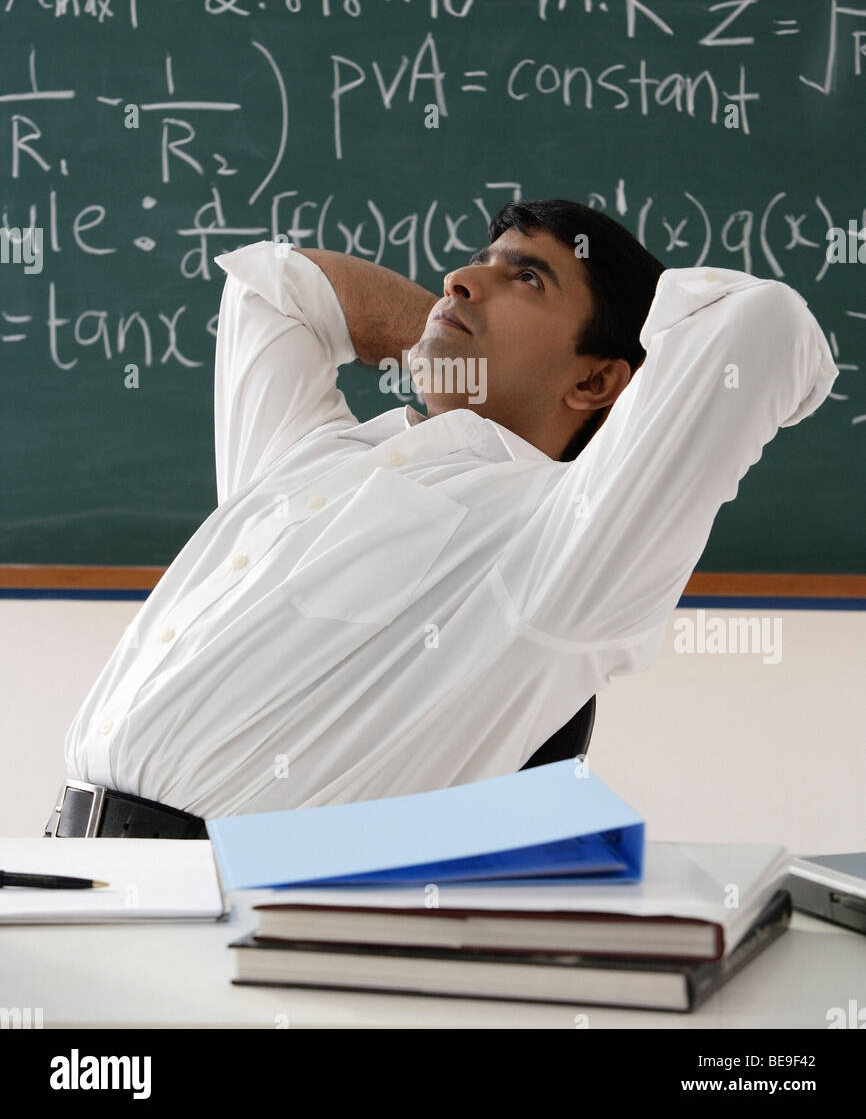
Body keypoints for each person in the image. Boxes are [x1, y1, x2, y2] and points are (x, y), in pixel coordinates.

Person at [46, 200, 837, 838]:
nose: (460, 278)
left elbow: (762, 324)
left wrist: (483, 354)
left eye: (527, 277)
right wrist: (459, 341)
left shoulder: (567, 537)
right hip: (59, 872)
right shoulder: (308, 459)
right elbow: (276, 288)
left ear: (597, 382)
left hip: (216, 930)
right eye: (477, 263)